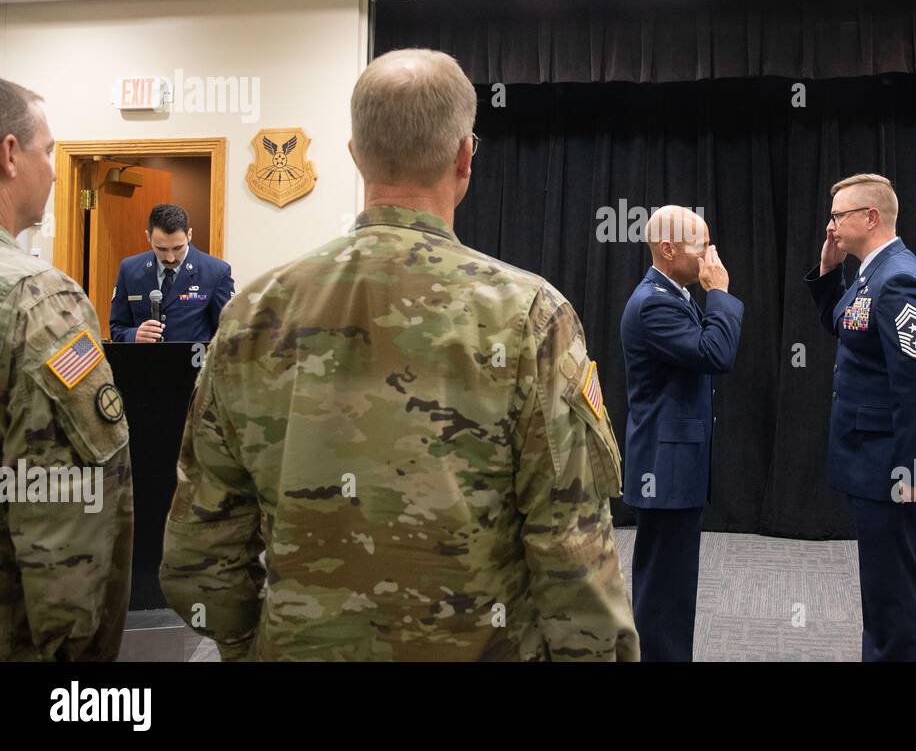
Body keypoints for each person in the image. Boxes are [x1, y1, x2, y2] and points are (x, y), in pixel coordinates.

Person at [160, 49, 638, 661]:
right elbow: (571, 548)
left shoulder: (252, 314)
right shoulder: (529, 316)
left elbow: (200, 551)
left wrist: (249, 645)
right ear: (467, 156)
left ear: (355, 153)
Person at [0, 78, 133, 661]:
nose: (55, 170)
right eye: (48, 150)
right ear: (8, 154)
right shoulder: (37, 300)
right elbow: (66, 503)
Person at [805, 173, 916, 661]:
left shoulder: (898, 279)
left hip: (893, 467)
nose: (830, 227)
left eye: (837, 216)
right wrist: (829, 274)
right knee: (883, 592)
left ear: (870, 217)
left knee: (895, 597)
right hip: (873, 464)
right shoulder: (872, 273)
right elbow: (848, 328)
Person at [620, 206, 742, 661]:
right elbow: (716, 353)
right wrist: (721, 295)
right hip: (663, 467)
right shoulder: (654, 302)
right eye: (701, 245)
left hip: (674, 464)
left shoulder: (673, 293)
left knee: (672, 586)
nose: (710, 255)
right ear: (668, 250)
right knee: (664, 591)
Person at [108, 203, 233, 344]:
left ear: (189, 235)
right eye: (161, 249)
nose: (170, 257)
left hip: (194, 363)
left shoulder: (216, 272)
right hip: (143, 363)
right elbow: (116, 328)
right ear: (148, 237)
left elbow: (227, 332)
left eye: (177, 248)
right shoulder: (129, 269)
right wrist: (134, 335)